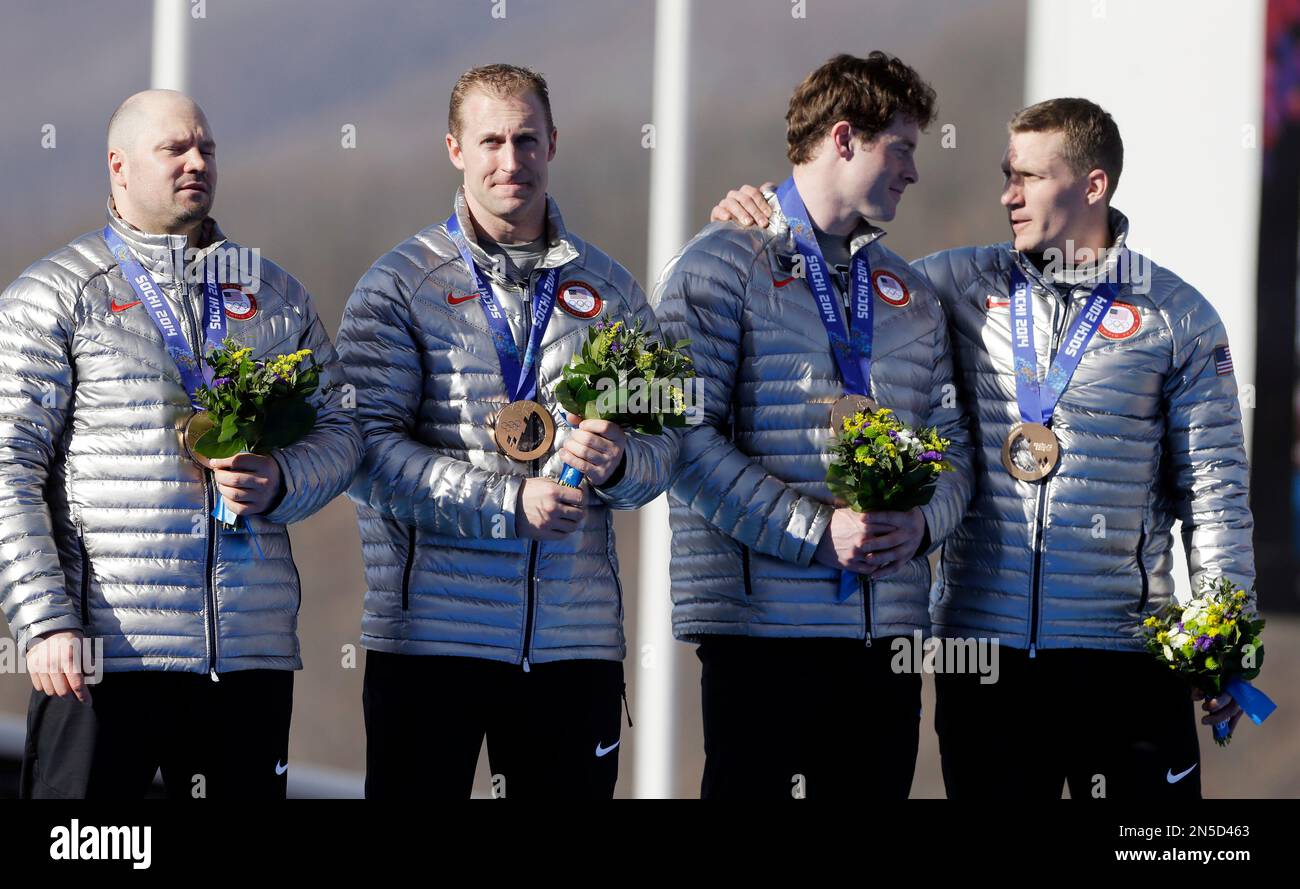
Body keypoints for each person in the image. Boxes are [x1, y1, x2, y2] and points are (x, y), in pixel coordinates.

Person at [711, 97, 1252, 799]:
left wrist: (1224, 636)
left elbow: (1214, 490)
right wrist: (764, 219)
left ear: (1092, 186)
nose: (1008, 195)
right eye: (1006, 174)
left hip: (1126, 656)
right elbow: (833, 281)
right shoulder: (953, 285)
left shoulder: (1178, 315)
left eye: (1028, 177)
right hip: (984, 659)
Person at [1, 89, 362, 799]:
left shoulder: (273, 294)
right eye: (176, 149)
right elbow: (8, 468)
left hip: (247, 655)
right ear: (120, 166)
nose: (197, 162)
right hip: (102, 654)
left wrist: (283, 478)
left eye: (207, 148)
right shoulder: (56, 295)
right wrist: (43, 621)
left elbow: (344, 432)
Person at [337, 63, 679, 800]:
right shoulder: (400, 285)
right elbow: (364, 453)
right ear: (454, 149)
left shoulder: (612, 290)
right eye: (490, 140)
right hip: (433, 641)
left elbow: (667, 449)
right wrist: (506, 503)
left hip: (572, 643)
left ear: (553, 142)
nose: (510, 160)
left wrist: (621, 463)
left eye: (526, 139)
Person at [654, 52, 972, 800]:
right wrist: (818, 531)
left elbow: (955, 450)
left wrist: (922, 522)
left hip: (885, 638)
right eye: (902, 148)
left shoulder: (912, 295)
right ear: (843, 137)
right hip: (761, 637)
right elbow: (682, 443)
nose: (914, 172)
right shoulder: (717, 268)